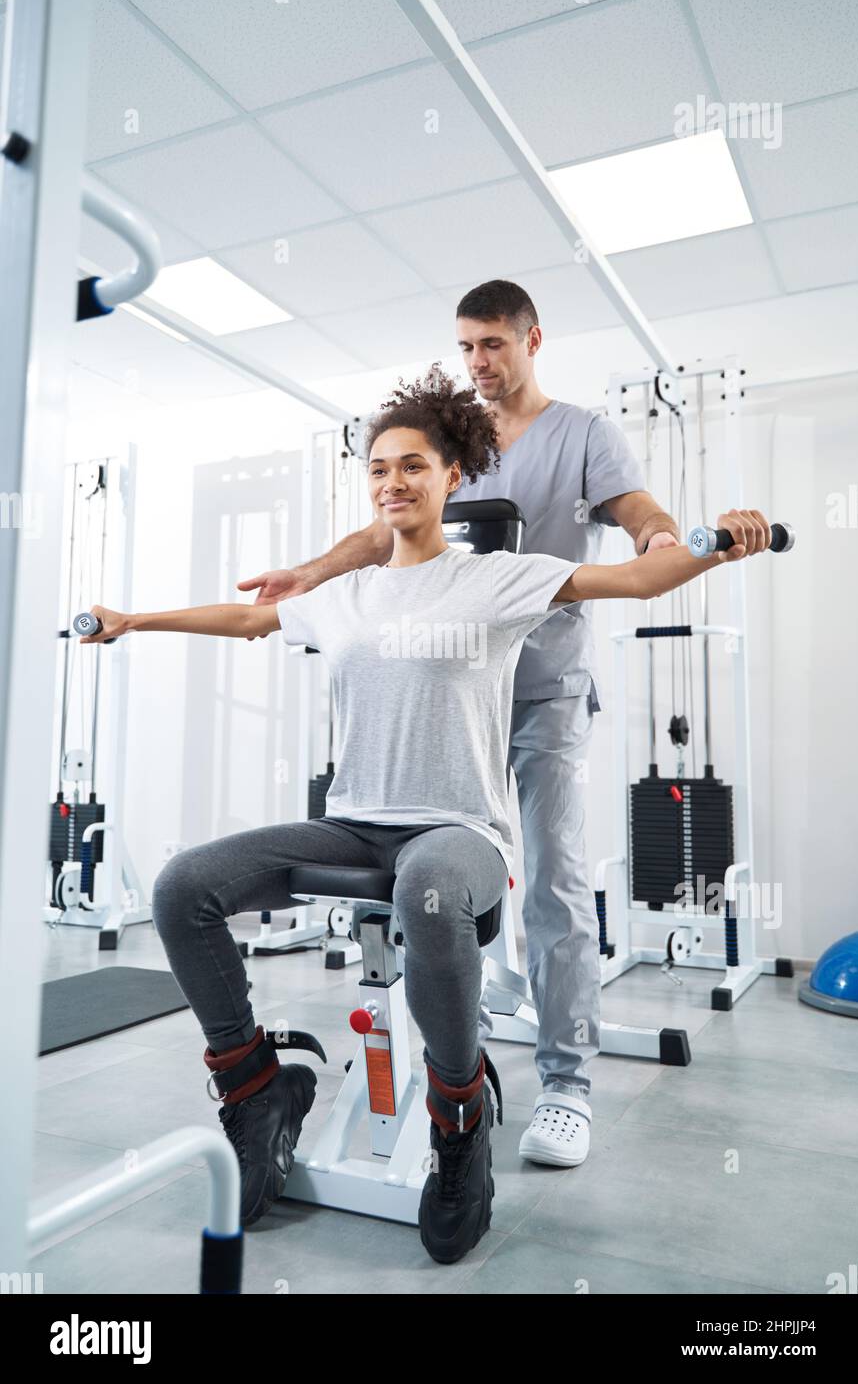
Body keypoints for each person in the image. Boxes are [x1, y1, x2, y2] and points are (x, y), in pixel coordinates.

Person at [82, 366, 772, 1264]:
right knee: (182, 887)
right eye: (378, 469)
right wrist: (132, 618)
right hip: (354, 819)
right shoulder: (345, 594)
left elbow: (641, 579)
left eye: (413, 466)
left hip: (458, 829)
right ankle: (255, 1087)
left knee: (434, 892)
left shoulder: (503, 579)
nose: (393, 482)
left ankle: (458, 1113)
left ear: (455, 477)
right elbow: (249, 621)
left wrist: (722, 542)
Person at [240, 280, 680, 1169]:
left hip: (541, 688)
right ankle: (456, 1036)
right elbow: (385, 535)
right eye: (467, 346)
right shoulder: (452, 443)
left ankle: (565, 1084)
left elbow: (635, 514)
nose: (479, 362)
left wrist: (663, 536)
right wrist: (311, 574)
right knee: (434, 872)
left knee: (553, 883)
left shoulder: (580, 434)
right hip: (443, 689)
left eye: (493, 344)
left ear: (532, 340)